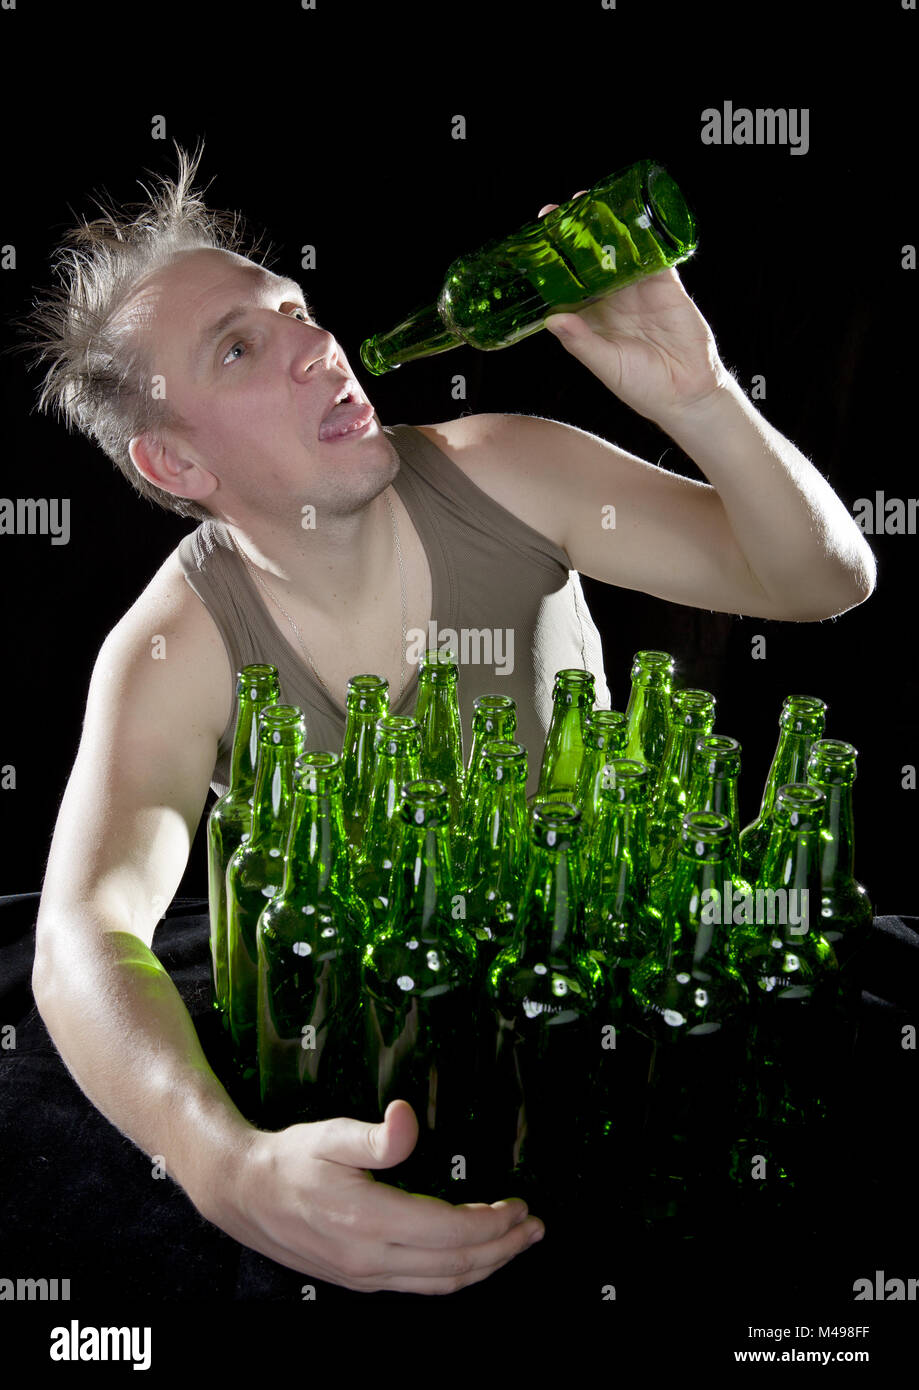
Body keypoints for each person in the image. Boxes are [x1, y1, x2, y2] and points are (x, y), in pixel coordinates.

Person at [24, 145, 875, 1296]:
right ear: (174, 460)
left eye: (296, 310)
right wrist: (219, 1162)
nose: (315, 346)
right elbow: (82, 930)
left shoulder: (508, 466)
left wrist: (698, 396)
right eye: (241, 348)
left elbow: (822, 580)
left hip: (593, 1034)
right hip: (398, 1080)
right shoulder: (173, 645)